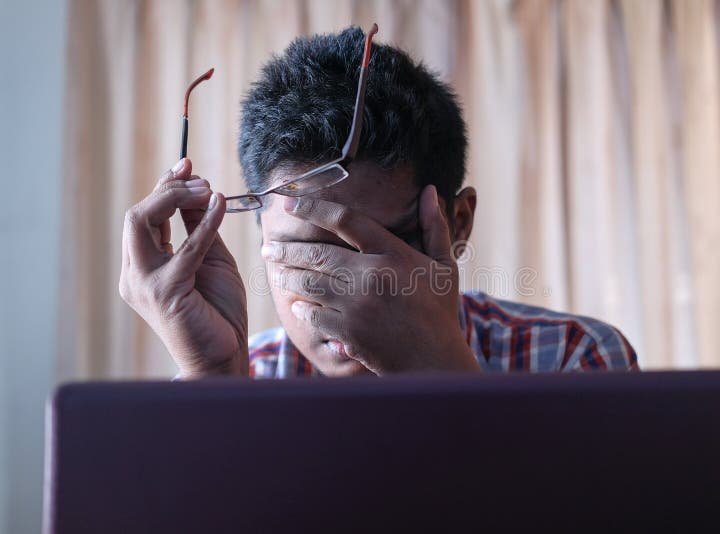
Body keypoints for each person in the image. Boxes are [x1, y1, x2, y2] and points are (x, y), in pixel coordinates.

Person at [118, 26, 638, 379]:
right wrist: (214, 382)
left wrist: (443, 376)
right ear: (260, 239)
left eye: (381, 249)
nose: (352, 298)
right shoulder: (242, 374)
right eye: (301, 257)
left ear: (458, 225)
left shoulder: (575, 360)